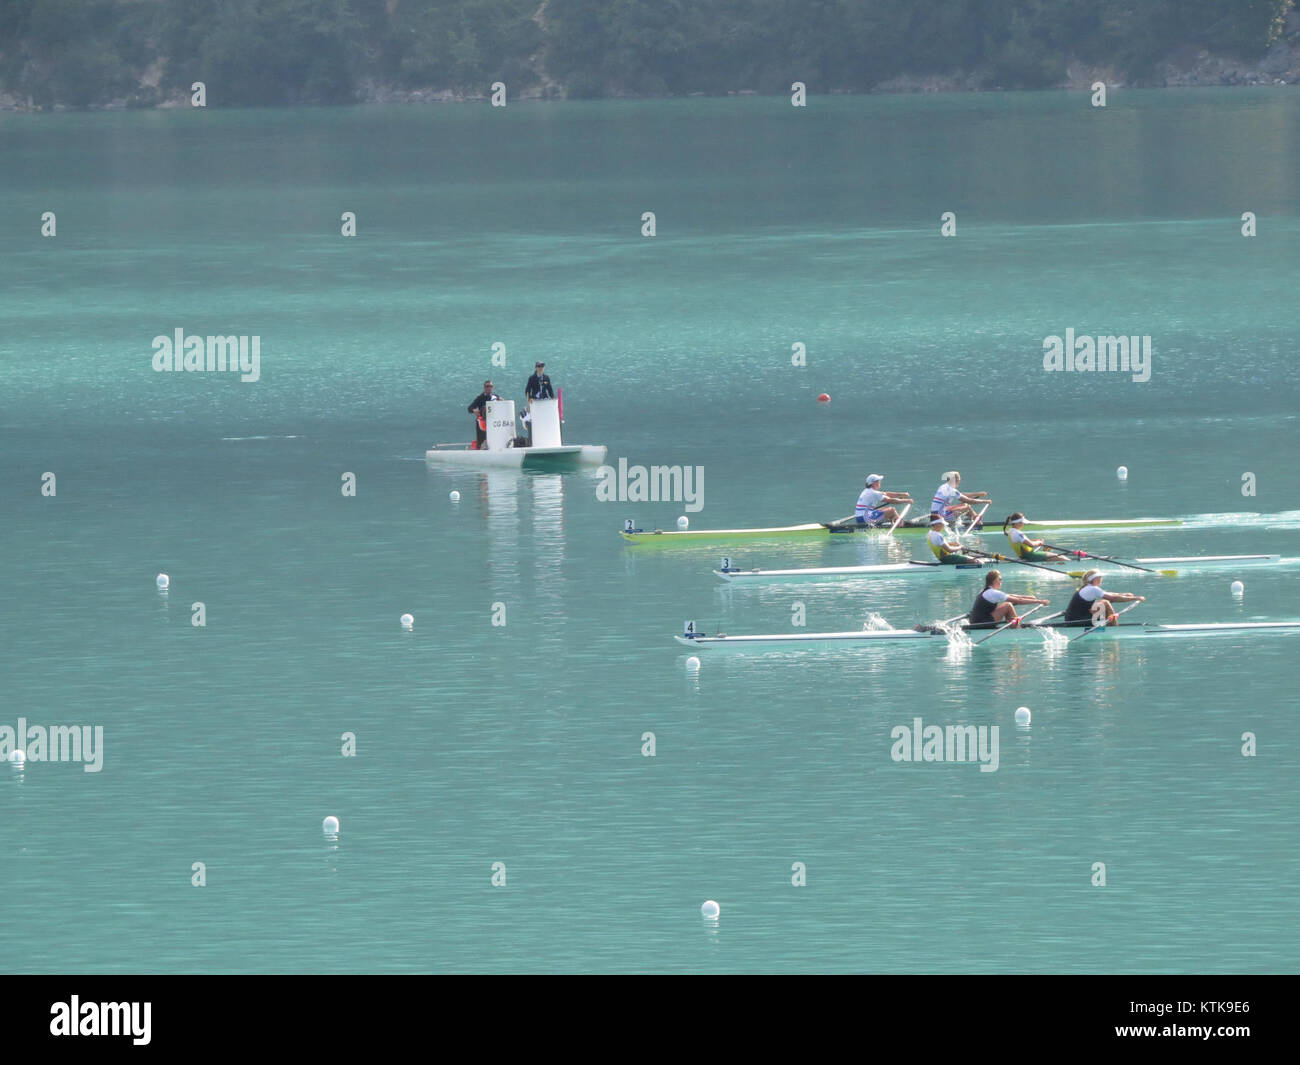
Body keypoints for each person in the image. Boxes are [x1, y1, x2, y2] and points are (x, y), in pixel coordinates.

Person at [968, 570, 1049, 627]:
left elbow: (1012, 596)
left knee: (1009, 604)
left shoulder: (986, 591)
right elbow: (1019, 600)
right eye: (1000, 579)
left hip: (976, 621)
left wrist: (1029, 597)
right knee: (1008, 605)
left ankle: (1013, 626)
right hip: (981, 624)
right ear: (994, 581)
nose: (1001, 582)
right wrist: (1040, 601)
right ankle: (1017, 628)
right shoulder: (993, 593)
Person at [1063, 570, 1145, 626]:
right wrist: (1136, 598)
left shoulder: (1087, 587)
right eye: (1099, 578)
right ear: (1094, 579)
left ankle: (1106, 625)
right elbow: (1113, 598)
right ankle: (1114, 627)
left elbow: (1111, 594)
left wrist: (1125, 594)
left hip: (1074, 619)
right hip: (1077, 621)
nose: (1101, 579)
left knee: (1102, 602)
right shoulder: (1093, 589)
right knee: (1105, 603)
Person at [1003, 513, 1068, 562]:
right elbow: (1031, 544)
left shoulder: (1011, 531)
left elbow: (1025, 542)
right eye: (1022, 522)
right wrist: (1039, 542)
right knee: (1062, 557)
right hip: (1031, 556)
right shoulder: (1017, 533)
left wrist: (1037, 540)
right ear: (1017, 523)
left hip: (1025, 555)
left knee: (1053, 556)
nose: (1023, 524)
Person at [467, 380, 500, 450]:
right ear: (484, 388)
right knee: (481, 441)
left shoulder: (495, 397)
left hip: (493, 422)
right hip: (482, 422)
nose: (489, 388)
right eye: (487, 386)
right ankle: (479, 448)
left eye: (491, 386)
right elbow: (469, 408)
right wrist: (474, 410)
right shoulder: (480, 397)